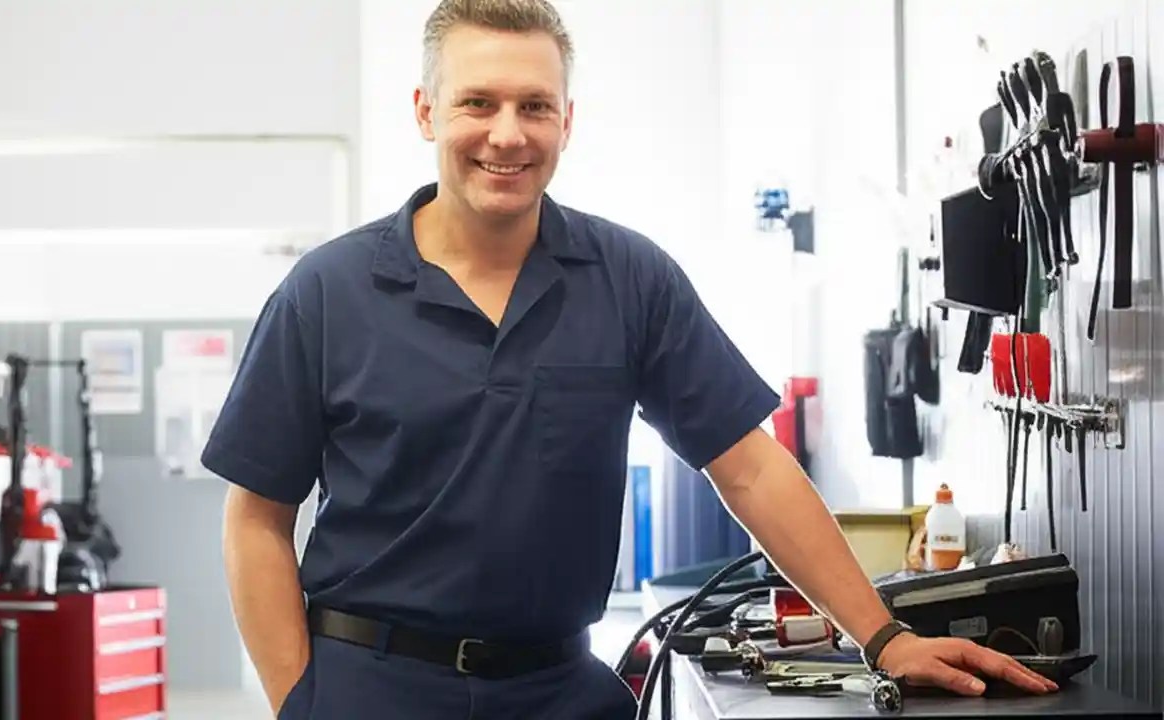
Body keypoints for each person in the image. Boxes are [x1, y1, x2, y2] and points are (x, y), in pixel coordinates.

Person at [201, 1, 1059, 717]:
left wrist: (885, 636)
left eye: (535, 106)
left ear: (566, 121)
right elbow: (257, 521)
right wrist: (300, 701)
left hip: (559, 688)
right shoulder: (327, 293)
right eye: (478, 103)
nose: (508, 134)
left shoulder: (628, 279)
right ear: (427, 112)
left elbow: (750, 468)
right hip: (371, 686)